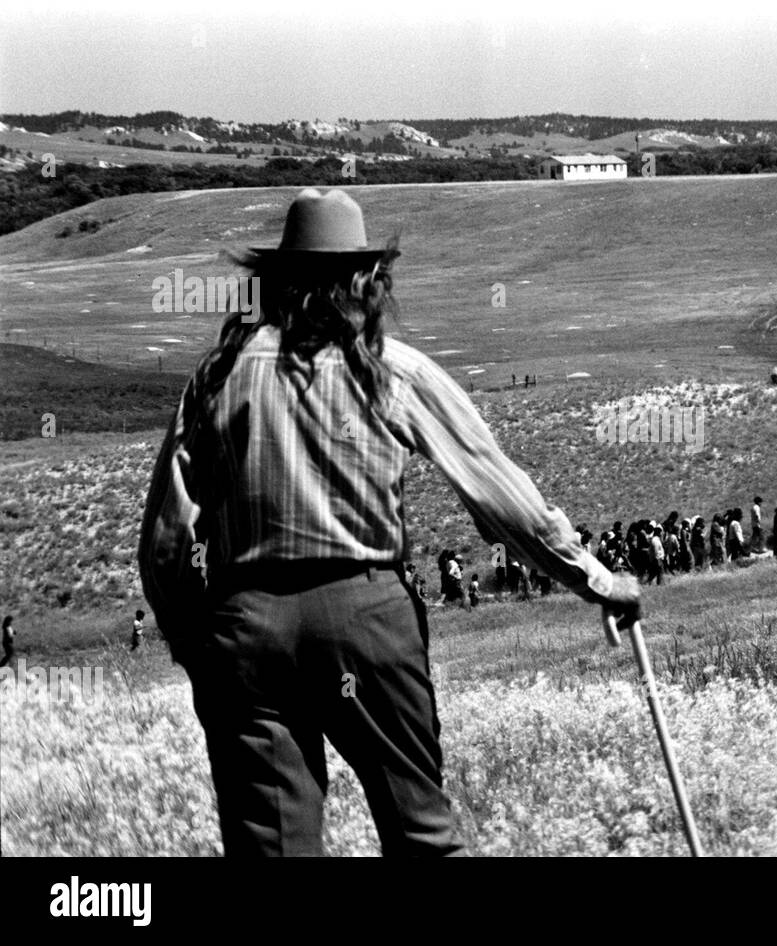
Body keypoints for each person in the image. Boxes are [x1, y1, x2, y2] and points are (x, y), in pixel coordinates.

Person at [138, 188, 640, 857]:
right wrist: (597, 580)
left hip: (248, 626)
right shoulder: (393, 370)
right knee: (421, 835)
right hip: (367, 620)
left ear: (276, 279)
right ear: (362, 280)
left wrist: (195, 643)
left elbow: (166, 539)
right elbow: (501, 494)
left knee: (274, 849)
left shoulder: (217, 376)